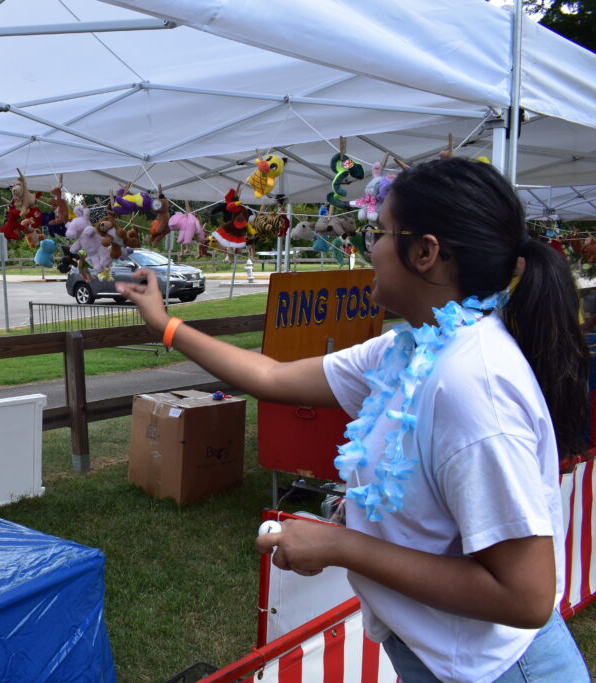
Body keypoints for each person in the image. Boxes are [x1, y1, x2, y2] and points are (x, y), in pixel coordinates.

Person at [116, 157, 590, 682]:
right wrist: (164, 324)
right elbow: (272, 377)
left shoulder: (471, 386)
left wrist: (342, 545)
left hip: (501, 671)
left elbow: (525, 596)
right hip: (445, 662)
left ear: (426, 253)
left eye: (381, 233)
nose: (370, 248)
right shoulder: (409, 349)